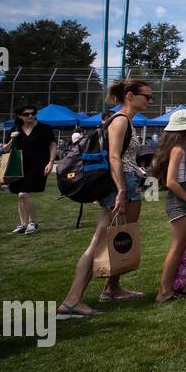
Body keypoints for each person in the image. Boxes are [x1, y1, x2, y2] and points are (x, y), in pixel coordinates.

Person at [58, 78, 154, 317]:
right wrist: (121, 190)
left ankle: (112, 288)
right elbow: (114, 158)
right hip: (121, 185)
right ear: (130, 96)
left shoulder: (125, 120)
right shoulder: (120, 120)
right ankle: (71, 301)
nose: (150, 100)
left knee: (120, 238)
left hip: (127, 182)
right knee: (100, 242)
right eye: (146, 96)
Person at [148, 109, 186, 304]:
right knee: (177, 245)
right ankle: (164, 291)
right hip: (180, 200)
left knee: (182, 245)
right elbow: (171, 182)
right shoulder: (178, 149)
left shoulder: (184, 147)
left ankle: (173, 287)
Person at [6, 104, 56, 236]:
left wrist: (51, 162)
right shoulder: (15, 129)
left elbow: (52, 145)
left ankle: (33, 222)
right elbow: (5, 149)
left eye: (33, 113)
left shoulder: (45, 128)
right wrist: (12, 139)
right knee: (20, 196)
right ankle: (23, 224)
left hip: (39, 165)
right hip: (19, 167)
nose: (30, 116)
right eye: (27, 114)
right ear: (19, 116)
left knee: (23, 193)